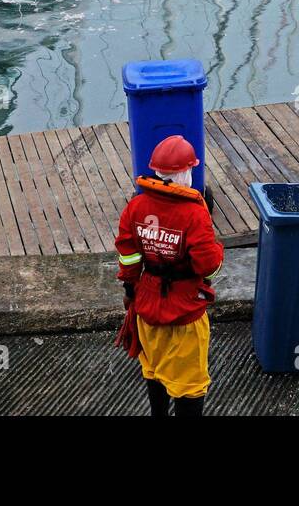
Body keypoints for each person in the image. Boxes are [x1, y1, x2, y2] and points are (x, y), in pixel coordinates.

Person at [114, 135, 223, 417]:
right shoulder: (194, 214)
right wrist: (217, 248)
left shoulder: (135, 207)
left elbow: (128, 256)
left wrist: (130, 292)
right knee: (189, 386)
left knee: (154, 370)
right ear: (186, 172)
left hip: (147, 308)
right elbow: (207, 266)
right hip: (184, 311)